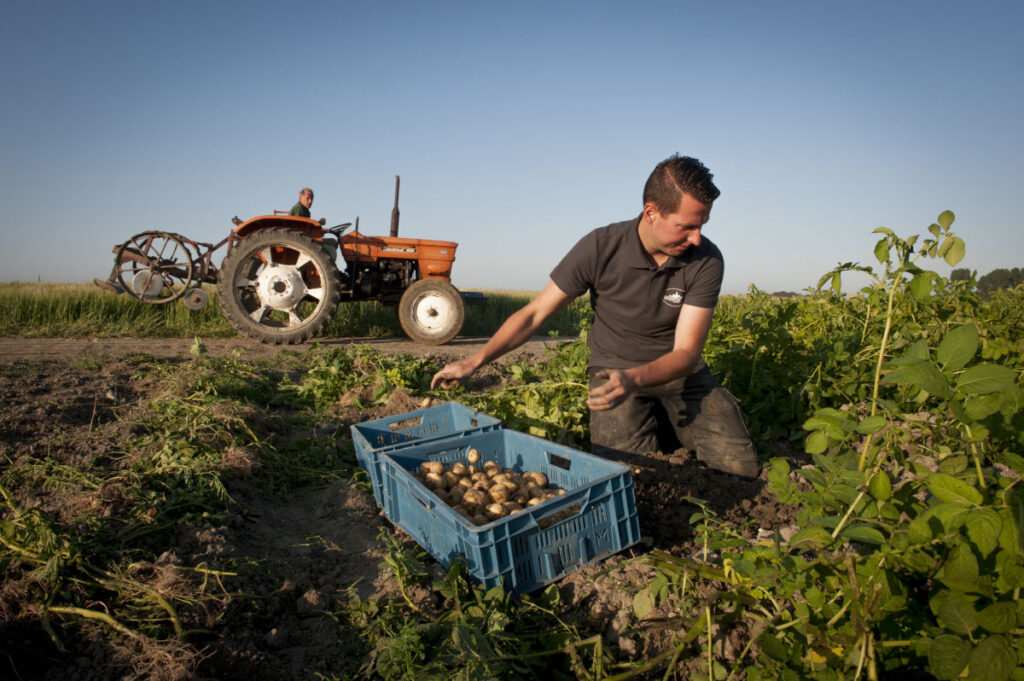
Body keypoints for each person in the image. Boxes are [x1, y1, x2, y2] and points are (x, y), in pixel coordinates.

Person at [430, 155, 760, 478]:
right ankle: (661, 431)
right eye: (686, 227)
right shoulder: (601, 247)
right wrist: (474, 362)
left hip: (678, 374)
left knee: (739, 469)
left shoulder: (706, 259)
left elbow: (687, 354)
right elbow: (534, 314)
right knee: (633, 478)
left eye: (701, 226)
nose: (696, 238)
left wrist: (637, 378)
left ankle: (670, 429)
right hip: (614, 374)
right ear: (651, 213)